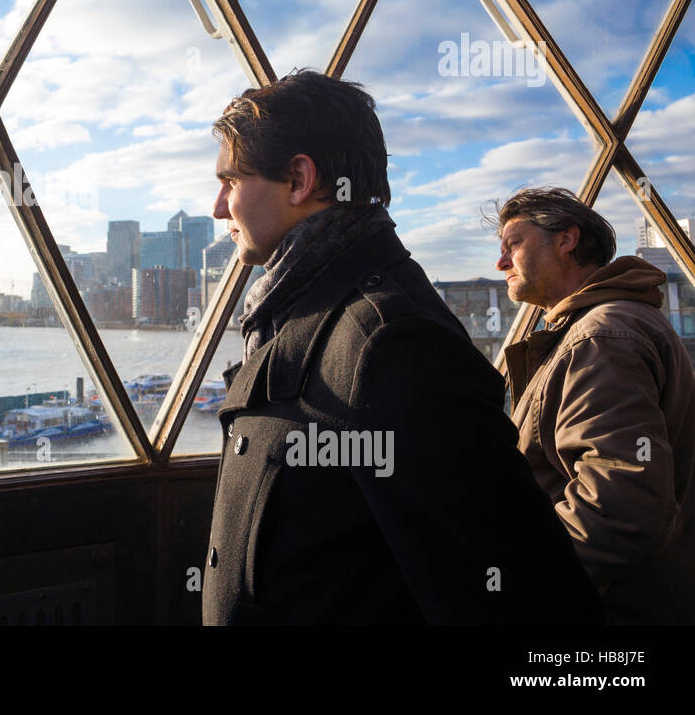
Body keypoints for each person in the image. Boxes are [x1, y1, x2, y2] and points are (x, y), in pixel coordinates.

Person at [201, 70, 600, 624]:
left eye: (230, 181)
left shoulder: (391, 343)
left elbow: (525, 598)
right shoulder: (297, 316)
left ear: (298, 179)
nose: (219, 208)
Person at [495, 186, 695, 623]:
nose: (501, 262)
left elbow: (619, 509)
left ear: (567, 240)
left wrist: (518, 587)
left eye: (514, 244)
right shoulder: (610, 324)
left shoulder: (602, 337)